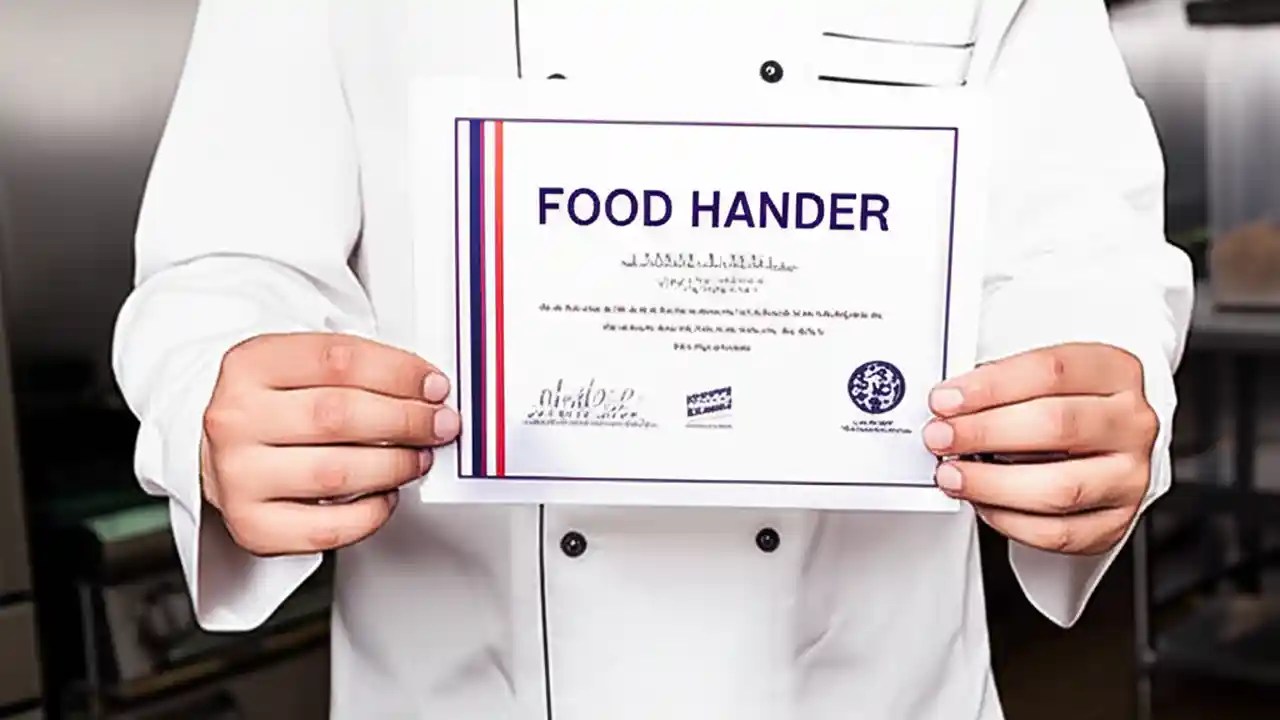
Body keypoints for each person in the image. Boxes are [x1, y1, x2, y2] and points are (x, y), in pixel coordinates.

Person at [112, 1, 1194, 718]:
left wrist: (1083, 385)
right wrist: (222, 384)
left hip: (875, 690)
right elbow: (227, 261)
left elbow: (1077, 246)